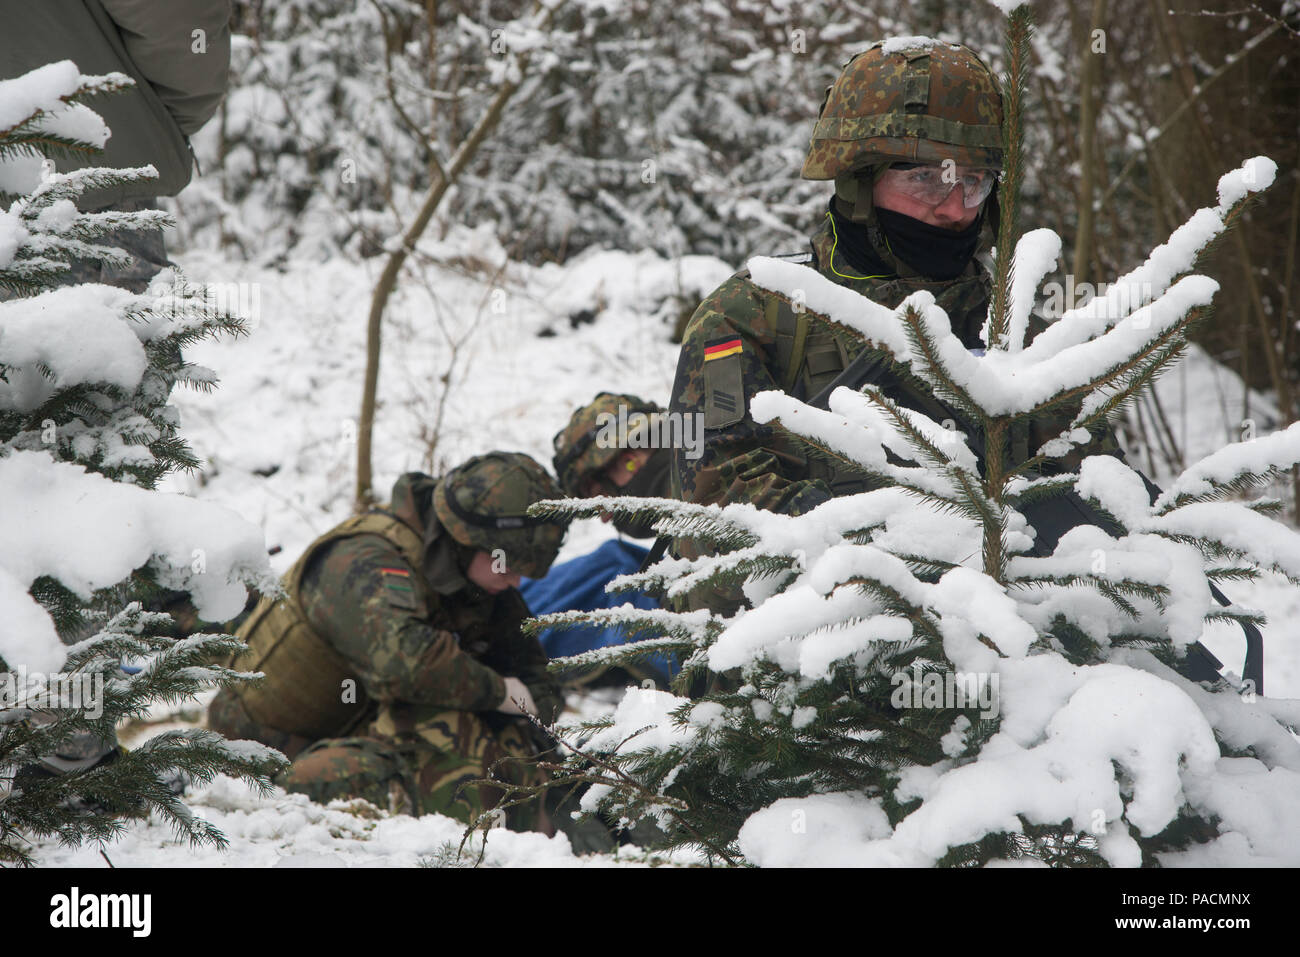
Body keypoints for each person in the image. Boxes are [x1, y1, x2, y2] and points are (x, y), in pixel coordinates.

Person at [208, 452, 572, 831]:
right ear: (467, 538)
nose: (515, 580)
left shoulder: (471, 572)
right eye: (511, 564)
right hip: (264, 754)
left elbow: (535, 676)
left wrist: (529, 707)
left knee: (502, 745)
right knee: (447, 758)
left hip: (362, 729)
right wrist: (500, 691)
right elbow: (406, 666)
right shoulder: (362, 559)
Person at [520, 393, 677, 687]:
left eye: (599, 497)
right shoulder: (700, 482)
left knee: (614, 575)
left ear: (630, 461)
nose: (606, 518)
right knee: (615, 561)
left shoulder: (718, 489)